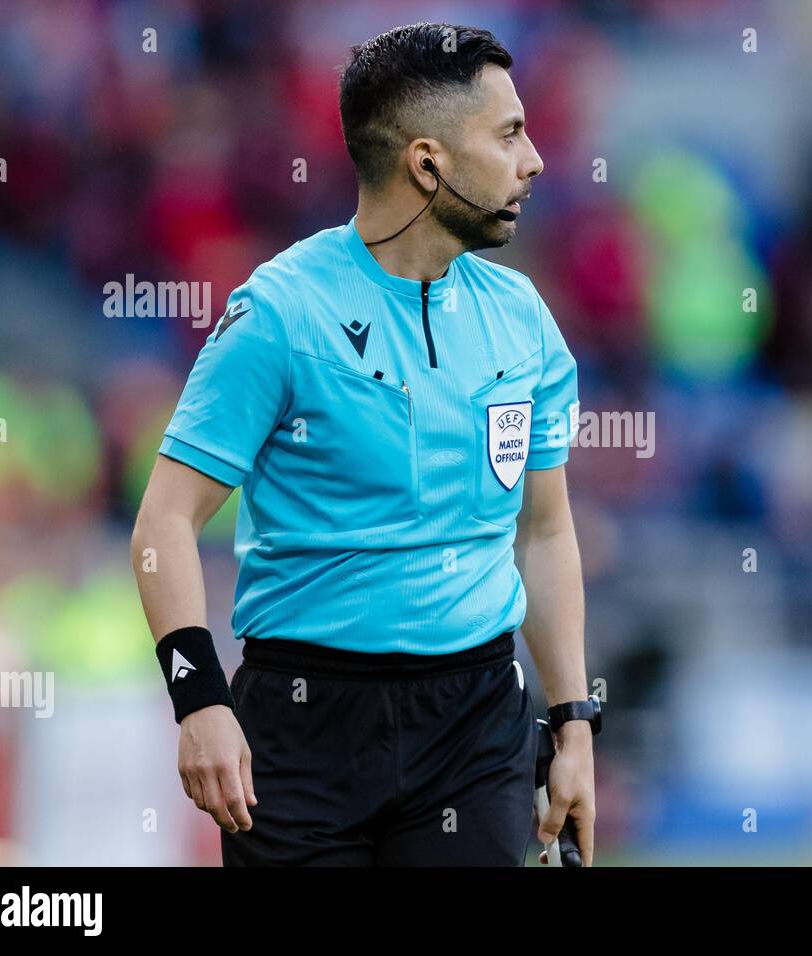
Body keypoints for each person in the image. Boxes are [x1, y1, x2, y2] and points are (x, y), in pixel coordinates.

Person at [130, 23, 597, 866]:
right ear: (428, 163)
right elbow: (163, 524)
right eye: (508, 134)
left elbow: (545, 530)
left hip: (476, 723)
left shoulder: (522, 316)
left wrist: (572, 723)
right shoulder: (279, 313)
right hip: (305, 727)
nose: (534, 160)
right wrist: (198, 701)